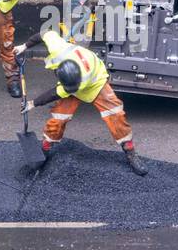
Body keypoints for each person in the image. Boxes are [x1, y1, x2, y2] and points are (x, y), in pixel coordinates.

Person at [17, 30, 147, 176]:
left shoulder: (83, 79)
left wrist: (33, 103)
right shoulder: (58, 48)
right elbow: (45, 33)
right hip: (73, 82)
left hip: (96, 84)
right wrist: (24, 45)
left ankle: (130, 152)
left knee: (115, 115)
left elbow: (56, 92)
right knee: (58, 118)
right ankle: (45, 150)